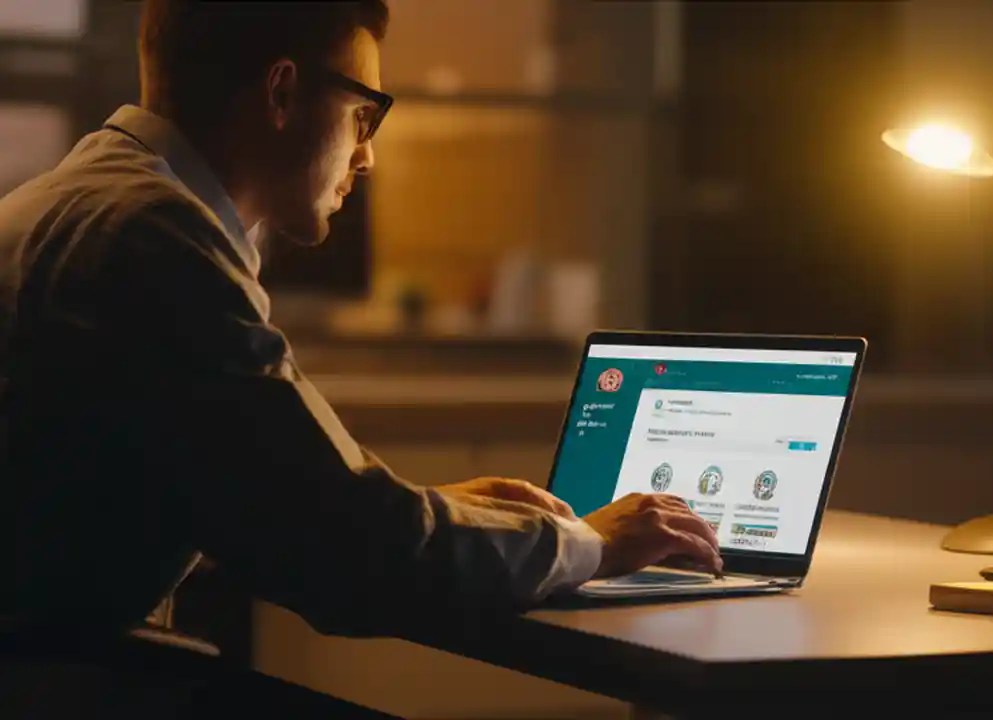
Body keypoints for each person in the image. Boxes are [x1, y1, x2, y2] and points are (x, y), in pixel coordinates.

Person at [0, 0, 721, 639]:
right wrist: (591, 545)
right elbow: (352, 559)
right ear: (281, 91)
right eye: (363, 114)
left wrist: (430, 511)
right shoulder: (156, 240)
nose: (367, 155)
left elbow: (264, 503)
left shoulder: (59, 202)